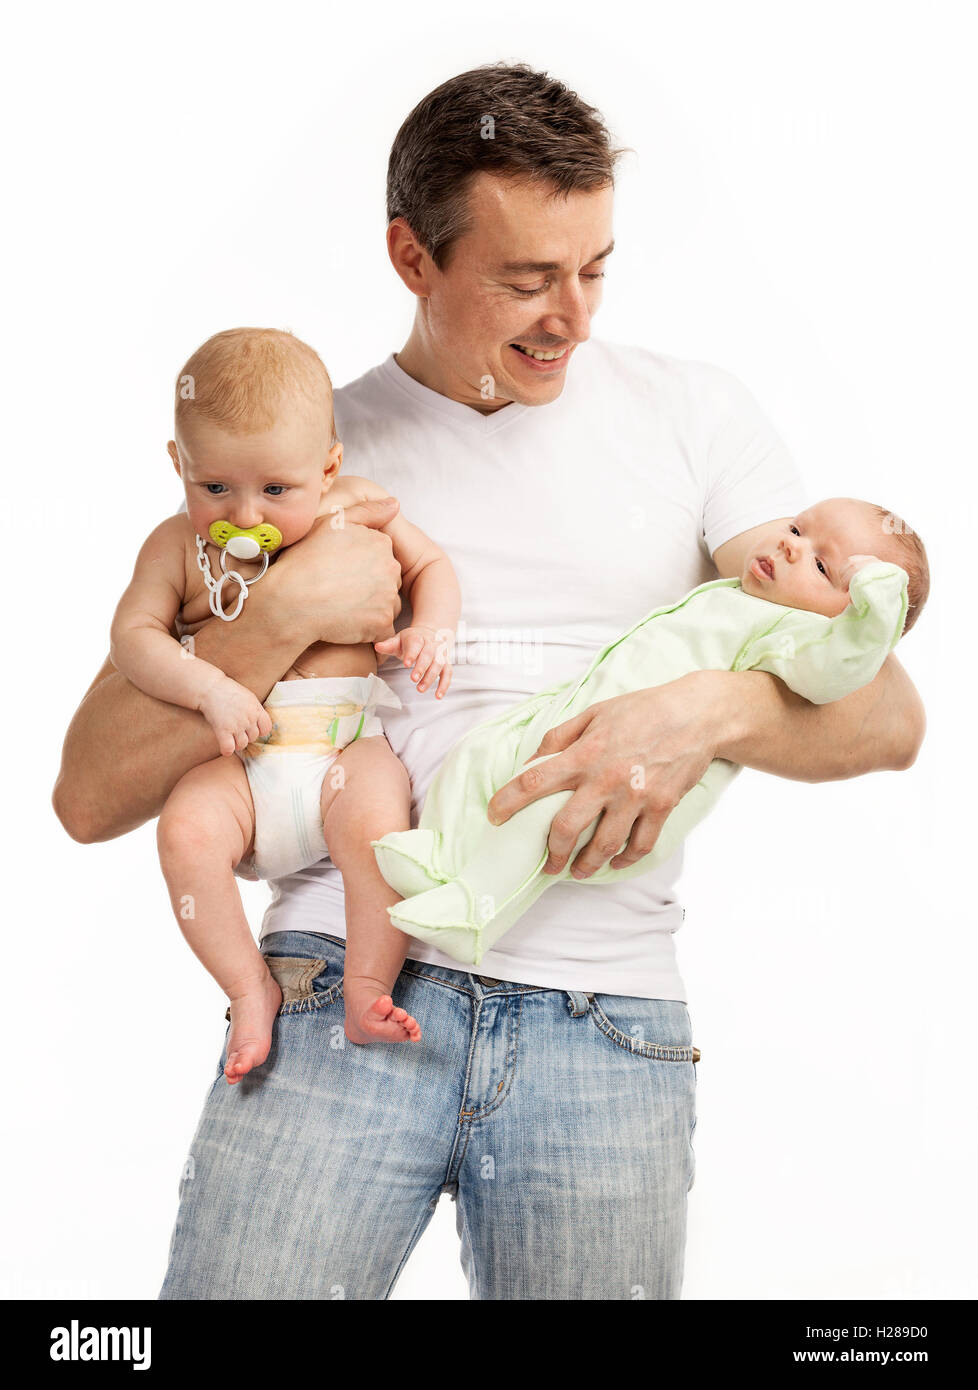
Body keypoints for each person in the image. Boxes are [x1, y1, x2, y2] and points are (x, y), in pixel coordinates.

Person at [53, 62, 926, 1300]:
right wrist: (286, 610)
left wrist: (698, 711)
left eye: (595, 268)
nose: (572, 315)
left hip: (605, 1020)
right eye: (526, 279)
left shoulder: (695, 420)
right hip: (337, 989)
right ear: (413, 257)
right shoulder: (292, 460)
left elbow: (886, 715)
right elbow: (87, 794)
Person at [109, 327, 461, 1072]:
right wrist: (207, 687)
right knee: (184, 833)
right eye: (215, 489)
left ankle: (367, 988)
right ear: (179, 464)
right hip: (243, 767)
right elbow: (133, 638)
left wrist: (432, 628)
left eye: (276, 489)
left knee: (377, 821)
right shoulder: (176, 548)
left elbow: (430, 562)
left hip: (341, 749)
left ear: (328, 467)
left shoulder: (357, 505)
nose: (245, 514)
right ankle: (248, 988)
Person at [374, 498, 927, 962]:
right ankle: (441, 857)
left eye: (824, 567)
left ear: (845, 615)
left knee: (545, 818)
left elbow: (842, 673)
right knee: (479, 754)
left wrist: (874, 609)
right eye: (797, 528)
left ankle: (477, 912)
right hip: (572, 721)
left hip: (631, 793)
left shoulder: (798, 636)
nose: (790, 545)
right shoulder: (735, 595)